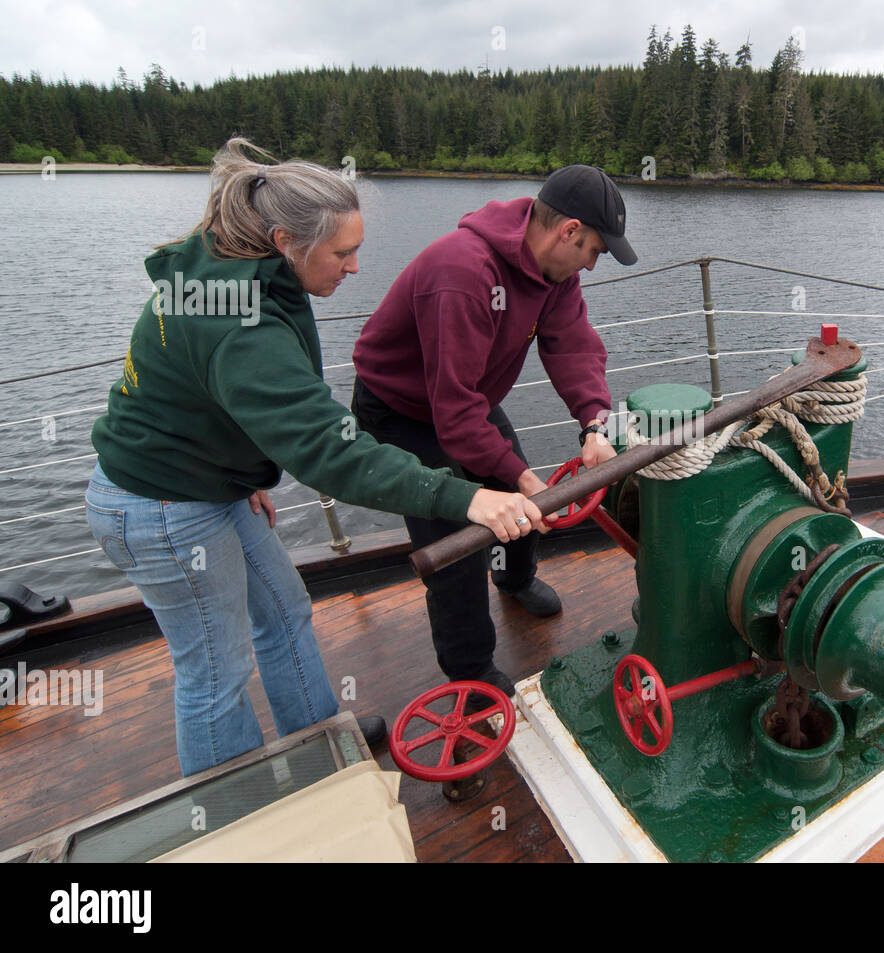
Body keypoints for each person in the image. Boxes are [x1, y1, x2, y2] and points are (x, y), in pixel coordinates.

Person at [84, 138, 542, 777]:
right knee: (216, 673)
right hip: (159, 506)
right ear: (285, 238)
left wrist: (238, 469)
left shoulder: (239, 268)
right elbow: (330, 450)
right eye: (343, 253)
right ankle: (238, 819)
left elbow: (199, 389)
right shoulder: (241, 325)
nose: (355, 268)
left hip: (207, 486)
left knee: (285, 612)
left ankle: (322, 750)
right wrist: (465, 495)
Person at [350, 164, 637, 698]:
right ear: (567, 231)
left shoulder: (556, 274)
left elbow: (571, 345)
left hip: (466, 399)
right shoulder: (463, 272)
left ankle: (514, 578)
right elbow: (452, 412)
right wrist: (525, 480)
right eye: (595, 249)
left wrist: (594, 424)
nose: (593, 265)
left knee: (516, 498)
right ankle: (470, 668)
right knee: (456, 542)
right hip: (402, 408)